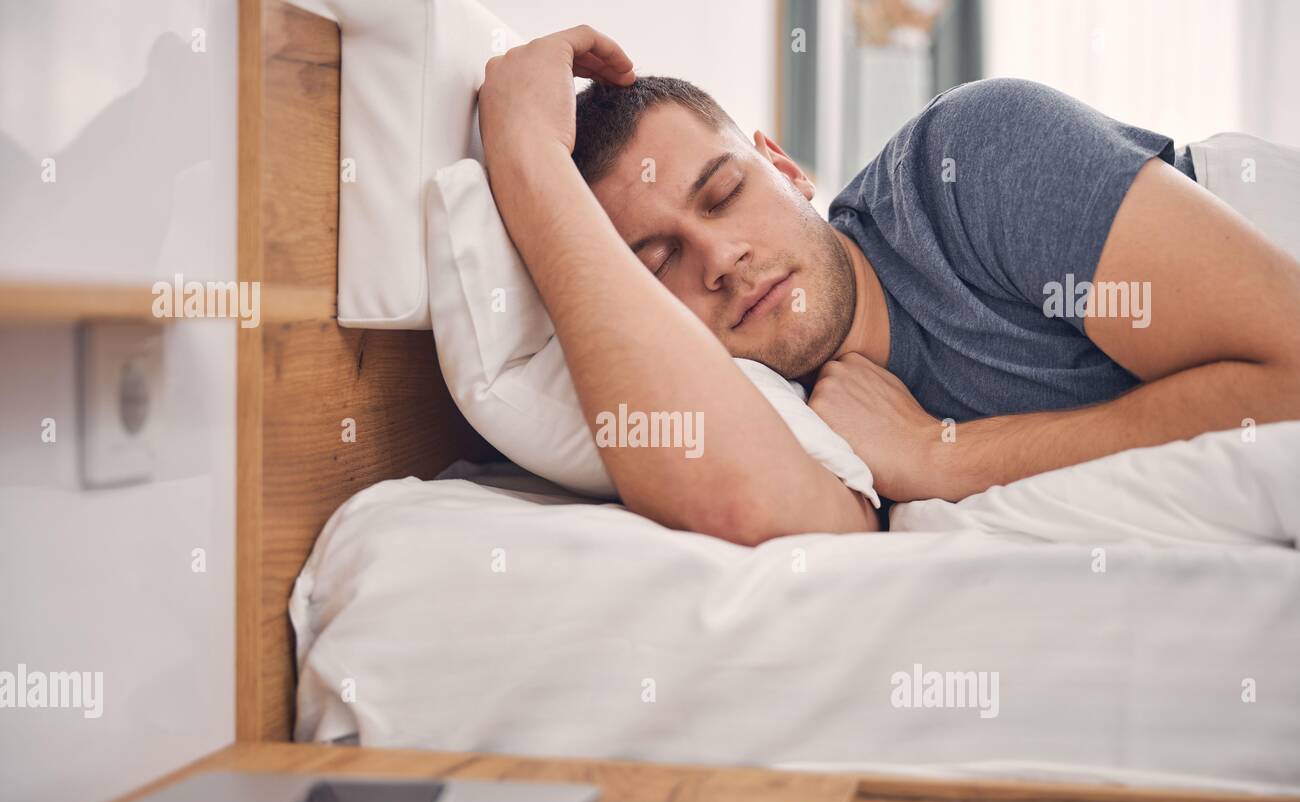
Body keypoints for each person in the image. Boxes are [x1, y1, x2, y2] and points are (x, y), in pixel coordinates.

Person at [478, 26, 1300, 544]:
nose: (720, 259)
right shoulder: (793, 419)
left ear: (785, 168)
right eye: (658, 267)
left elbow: (1291, 368)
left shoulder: (972, 160)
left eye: (725, 194)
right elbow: (736, 505)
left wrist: (941, 457)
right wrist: (528, 157)